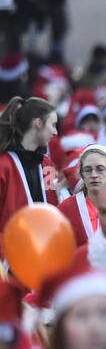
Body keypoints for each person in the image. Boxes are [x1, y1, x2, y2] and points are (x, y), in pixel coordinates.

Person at [0, 97, 59, 252]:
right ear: (38, 123)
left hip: (43, 253)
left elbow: (53, 205)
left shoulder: (48, 165)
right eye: (53, 125)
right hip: (9, 257)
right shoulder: (3, 165)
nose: (56, 132)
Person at [57, 144, 106, 246]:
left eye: (100, 169)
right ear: (82, 175)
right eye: (88, 170)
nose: (93, 175)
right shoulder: (67, 208)